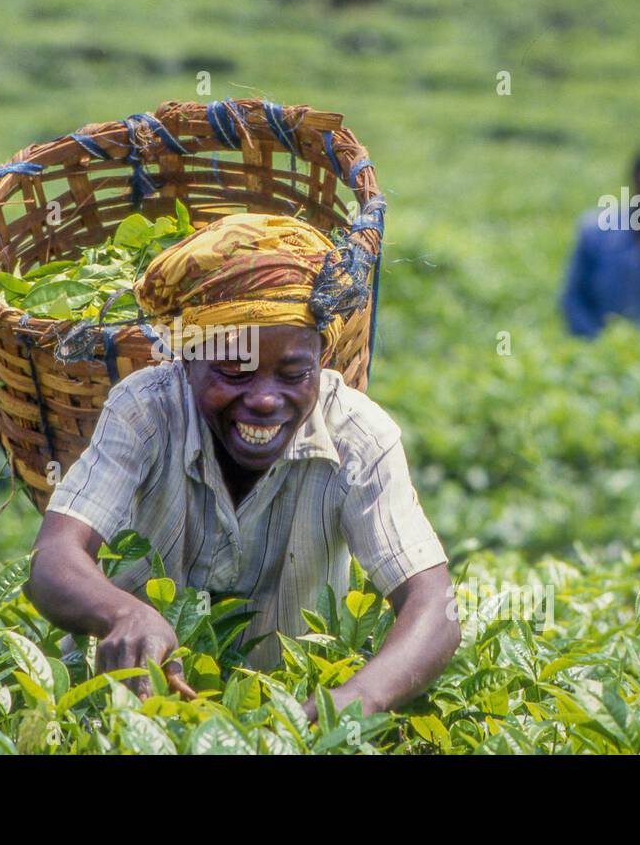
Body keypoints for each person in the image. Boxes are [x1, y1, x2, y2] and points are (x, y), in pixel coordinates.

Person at [24, 212, 461, 722]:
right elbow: (53, 559)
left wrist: (353, 698)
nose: (265, 400)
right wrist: (125, 614)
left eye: (295, 372)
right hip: (133, 709)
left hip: (287, 706)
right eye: (233, 371)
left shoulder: (358, 435)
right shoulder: (144, 409)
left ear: (321, 361)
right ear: (185, 360)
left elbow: (434, 606)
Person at [561, 148, 640, 338]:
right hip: (595, 343)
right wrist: (593, 341)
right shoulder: (596, 230)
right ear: (634, 184)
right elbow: (573, 297)